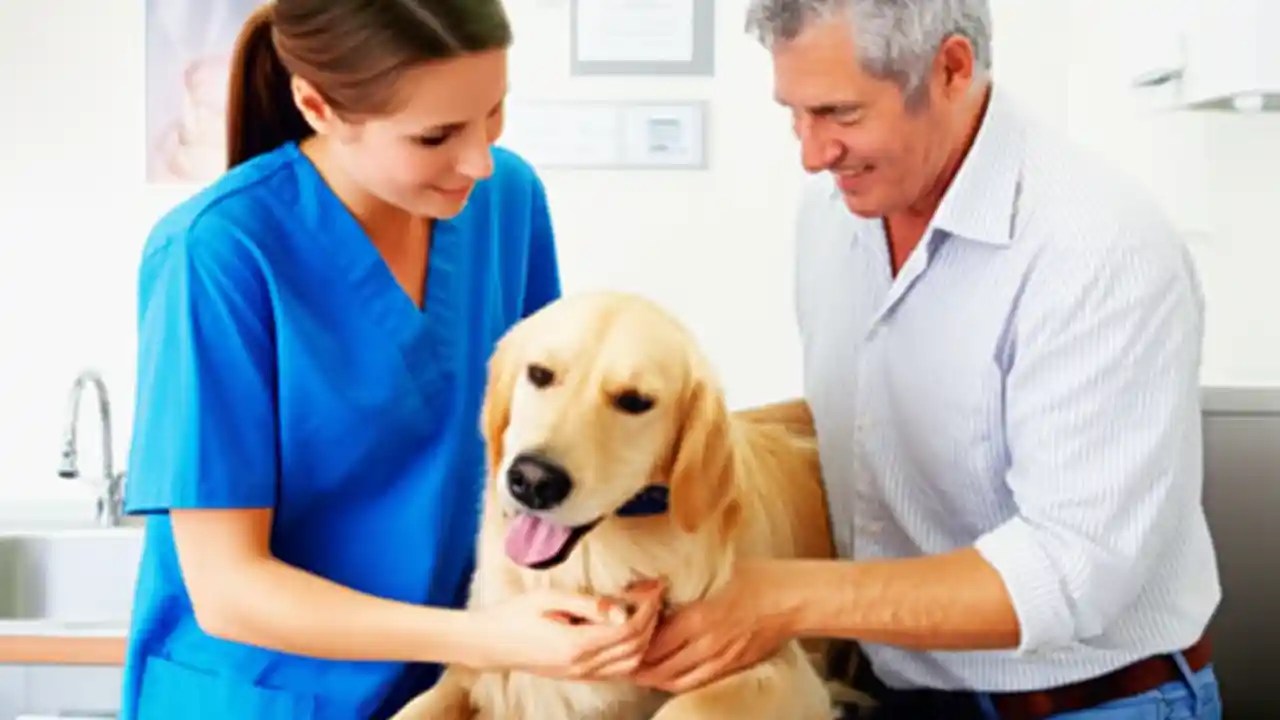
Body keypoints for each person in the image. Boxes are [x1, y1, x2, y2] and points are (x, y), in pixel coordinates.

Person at [633, 1, 1224, 718]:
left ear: (950, 69)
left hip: (1090, 702)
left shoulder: (1098, 248)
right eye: (794, 113)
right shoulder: (830, 216)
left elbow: (1070, 569)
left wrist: (777, 596)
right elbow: (857, 426)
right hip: (897, 693)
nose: (812, 153)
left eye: (841, 115)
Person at [119, 2, 663, 718]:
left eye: (493, 113)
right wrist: (489, 639)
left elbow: (544, 450)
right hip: (264, 697)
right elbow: (229, 591)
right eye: (435, 135)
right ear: (317, 105)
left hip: (448, 689)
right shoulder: (218, 253)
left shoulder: (506, 199)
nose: (477, 159)